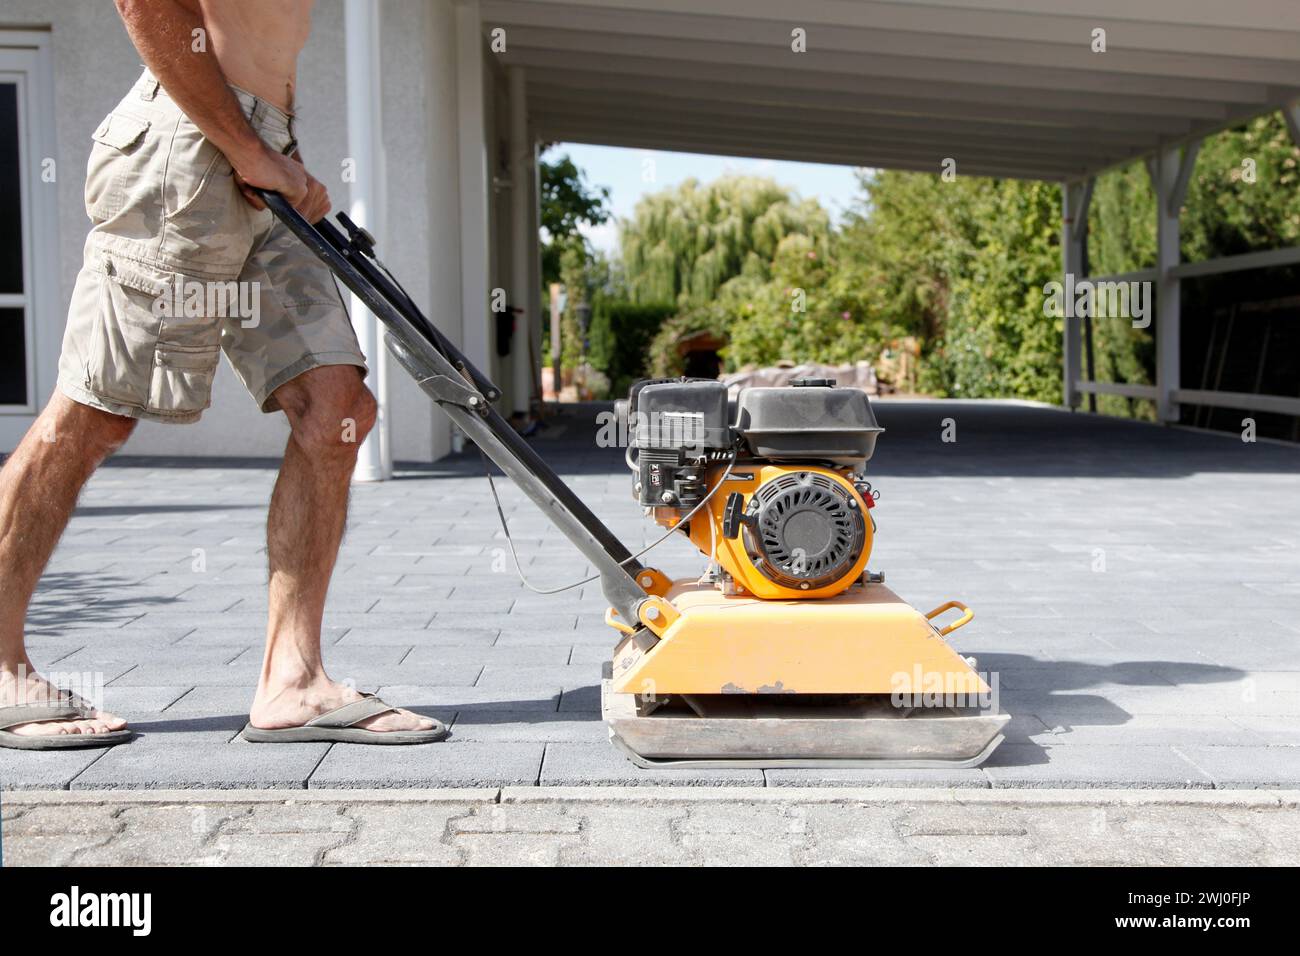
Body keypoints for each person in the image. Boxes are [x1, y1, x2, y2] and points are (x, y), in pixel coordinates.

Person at [0, 0, 446, 748]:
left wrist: (268, 148)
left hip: (258, 151)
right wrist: (241, 142)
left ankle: (292, 682)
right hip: (189, 146)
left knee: (336, 407)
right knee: (96, 411)